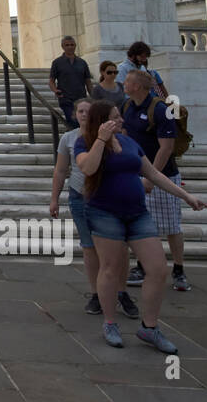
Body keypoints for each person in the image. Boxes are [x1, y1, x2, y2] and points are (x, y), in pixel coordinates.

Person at [75, 101, 207, 352]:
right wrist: (101, 140)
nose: (121, 121)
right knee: (110, 269)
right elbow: (88, 168)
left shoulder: (129, 143)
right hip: (105, 212)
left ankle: (149, 327)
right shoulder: (85, 143)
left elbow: (153, 174)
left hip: (137, 212)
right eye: (115, 117)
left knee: (158, 268)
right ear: (102, 121)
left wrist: (186, 196)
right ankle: (110, 321)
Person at [50, 97, 140, 319]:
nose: (83, 114)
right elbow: (61, 170)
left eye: (87, 111)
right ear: (74, 114)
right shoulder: (69, 139)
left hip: (108, 196)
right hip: (80, 196)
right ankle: (96, 294)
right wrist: (54, 198)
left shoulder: (117, 137)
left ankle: (121, 291)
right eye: (79, 111)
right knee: (89, 246)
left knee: (120, 247)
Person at [120, 71, 191, 291]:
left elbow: (166, 147)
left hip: (163, 174)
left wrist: (153, 176)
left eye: (129, 82)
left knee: (171, 224)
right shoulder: (127, 106)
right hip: (135, 174)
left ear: (139, 86)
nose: (125, 83)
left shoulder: (160, 110)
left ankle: (178, 269)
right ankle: (141, 265)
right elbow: (125, 135)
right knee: (139, 222)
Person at [49, 36, 93, 130]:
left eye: (72, 45)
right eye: (67, 45)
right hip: (66, 99)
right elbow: (51, 81)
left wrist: (93, 96)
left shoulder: (82, 63)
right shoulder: (57, 62)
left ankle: (72, 137)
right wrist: (55, 90)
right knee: (73, 120)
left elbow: (88, 81)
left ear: (75, 46)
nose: (70, 47)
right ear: (62, 46)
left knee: (79, 122)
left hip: (81, 98)